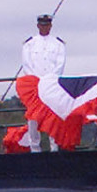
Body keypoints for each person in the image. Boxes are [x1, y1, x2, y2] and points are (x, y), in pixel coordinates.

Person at [19, 15, 66, 151]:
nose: (45, 27)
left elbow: (60, 64)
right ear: (38, 26)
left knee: (53, 115)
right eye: (42, 25)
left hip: (51, 85)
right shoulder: (29, 44)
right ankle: (35, 147)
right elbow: (27, 64)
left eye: (47, 25)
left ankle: (54, 146)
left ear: (51, 26)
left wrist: (49, 80)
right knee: (33, 118)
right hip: (35, 85)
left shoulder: (58, 44)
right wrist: (36, 81)